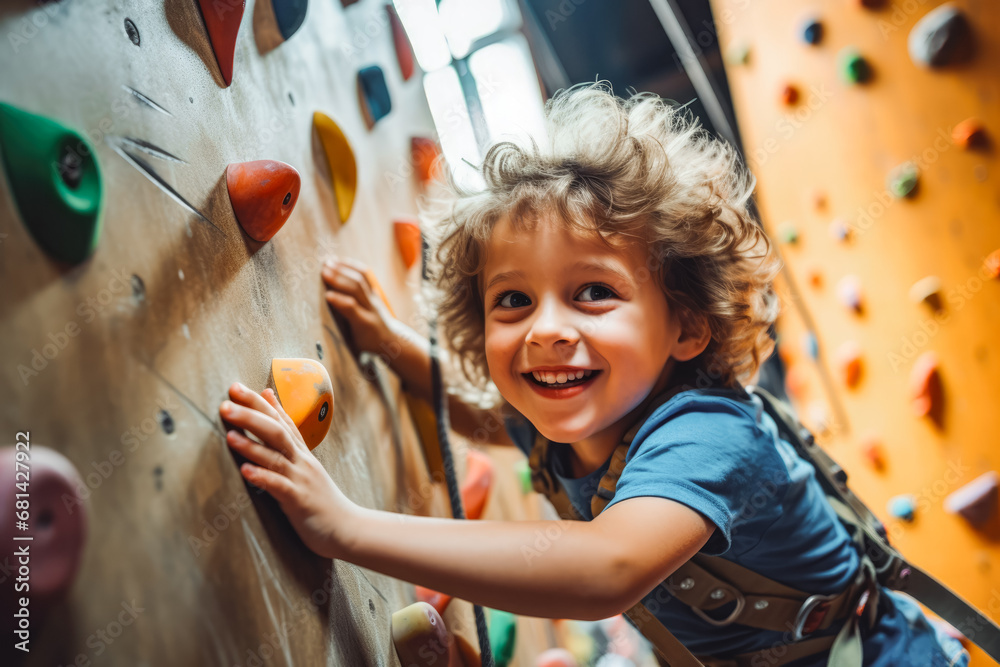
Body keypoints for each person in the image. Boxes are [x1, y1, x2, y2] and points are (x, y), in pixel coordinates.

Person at [217, 83, 970, 666]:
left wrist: (345, 525)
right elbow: (489, 417)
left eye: (594, 292)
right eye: (513, 299)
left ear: (685, 325)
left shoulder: (709, 432)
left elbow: (604, 567)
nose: (546, 328)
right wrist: (392, 344)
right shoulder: (582, 415)